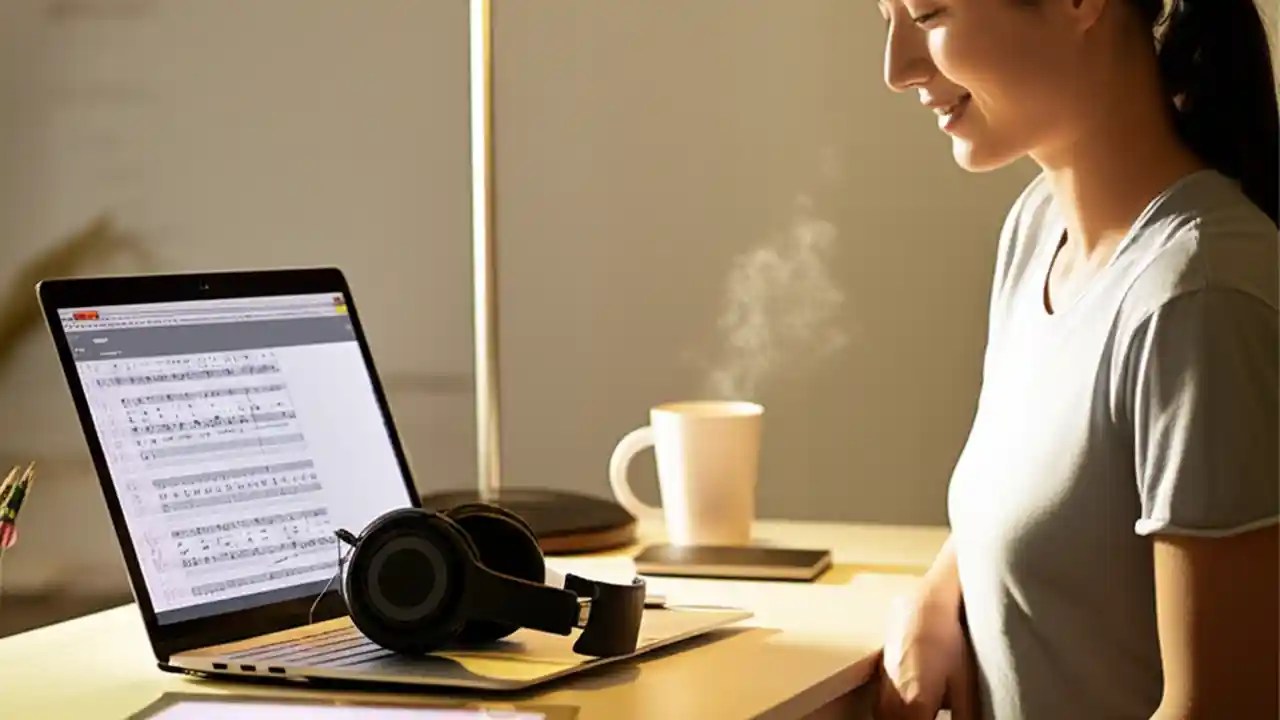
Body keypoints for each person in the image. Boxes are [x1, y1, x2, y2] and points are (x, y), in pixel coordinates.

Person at [871, 0, 1279, 718]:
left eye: (928, 14)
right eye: (888, 19)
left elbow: (1221, 707)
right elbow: (1059, 502)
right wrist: (935, 598)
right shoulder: (1038, 232)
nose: (898, 70)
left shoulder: (1198, 301)